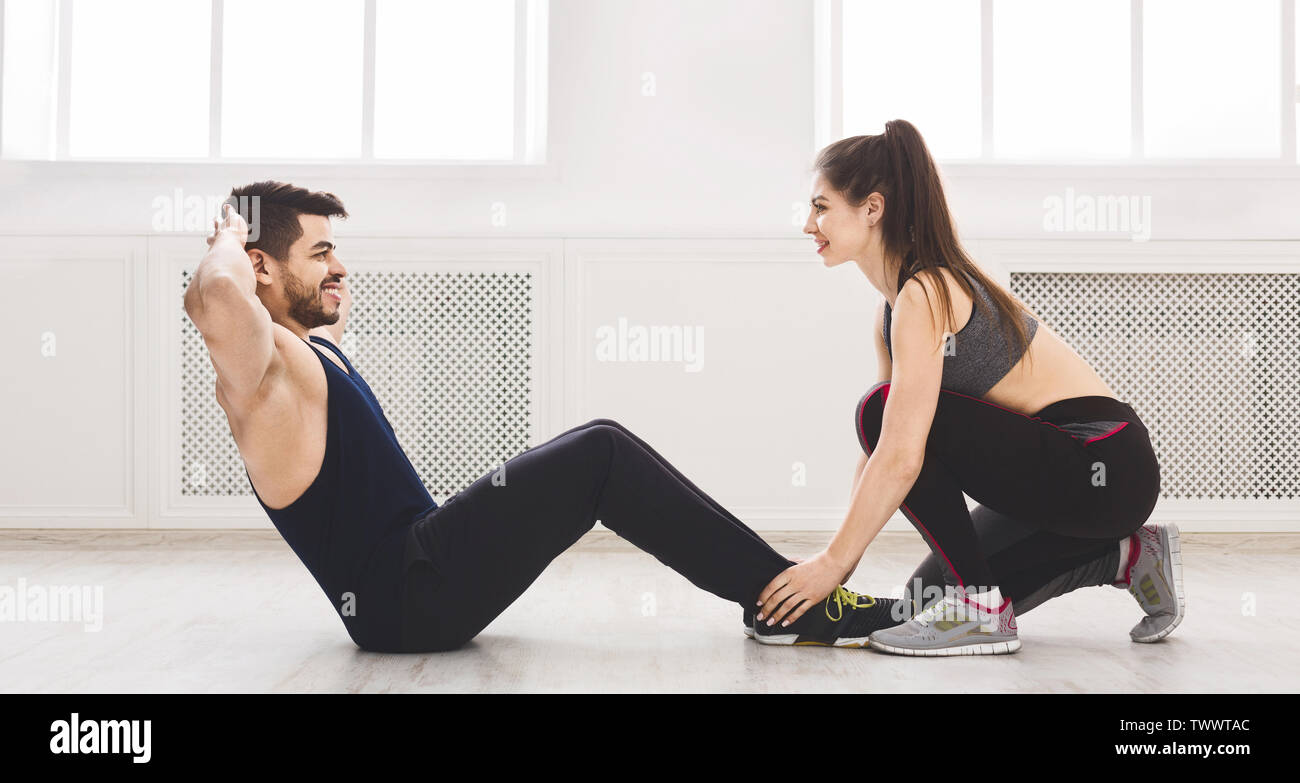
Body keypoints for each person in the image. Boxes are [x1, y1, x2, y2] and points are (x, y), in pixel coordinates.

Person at [184, 181, 904, 653]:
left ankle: (777, 595)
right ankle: (792, 601)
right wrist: (226, 241)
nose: (339, 266)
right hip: (405, 596)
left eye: (337, 248)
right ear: (259, 267)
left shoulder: (312, 349)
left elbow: (306, 302)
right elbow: (215, 300)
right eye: (319, 252)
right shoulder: (263, 374)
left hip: (416, 573)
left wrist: (286, 254)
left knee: (598, 448)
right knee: (602, 452)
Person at [753, 120, 1183, 655]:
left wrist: (832, 563)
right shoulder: (893, 310)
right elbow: (884, 447)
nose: (808, 224)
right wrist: (836, 566)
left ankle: (982, 610)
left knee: (877, 413)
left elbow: (900, 451)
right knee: (922, 603)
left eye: (821, 207)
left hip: (1103, 461)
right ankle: (1130, 555)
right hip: (1066, 477)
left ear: (872, 209)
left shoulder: (926, 291)